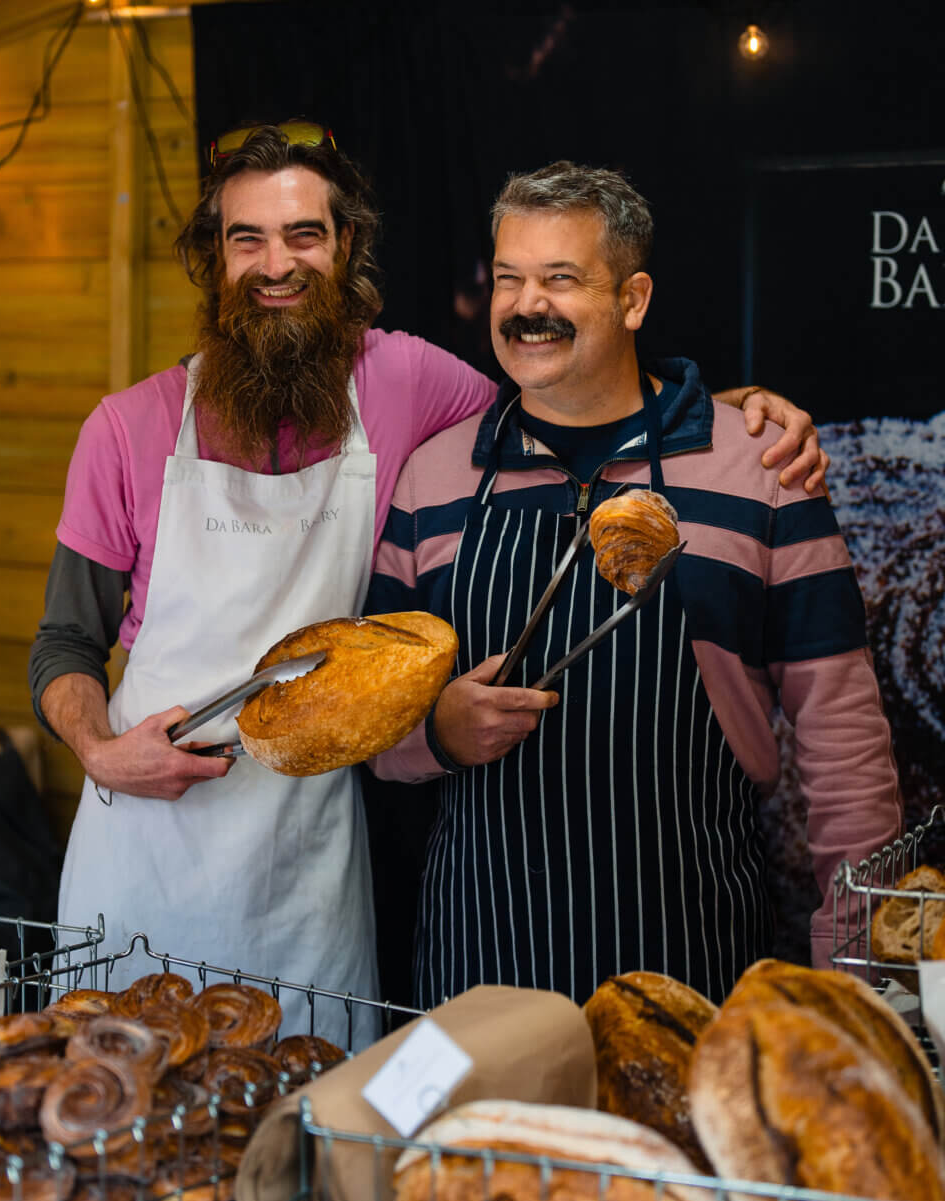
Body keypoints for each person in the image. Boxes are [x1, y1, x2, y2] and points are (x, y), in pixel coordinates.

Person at [29, 125, 829, 1035]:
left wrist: (721, 418)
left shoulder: (404, 380)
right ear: (214, 260)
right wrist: (99, 750)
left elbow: (572, 396)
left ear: (345, 248)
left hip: (311, 861)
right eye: (244, 238)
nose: (274, 265)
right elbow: (64, 641)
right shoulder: (127, 427)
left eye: (304, 235)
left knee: (309, 1133)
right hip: (144, 848)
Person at [367, 160, 902, 1011]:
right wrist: (435, 733)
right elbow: (368, 722)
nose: (525, 305)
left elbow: (841, 735)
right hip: (480, 959)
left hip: (688, 954)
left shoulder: (761, 468)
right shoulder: (433, 480)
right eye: (509, 279)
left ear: (634, 300)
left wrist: (864, 968)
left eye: (560, 279)